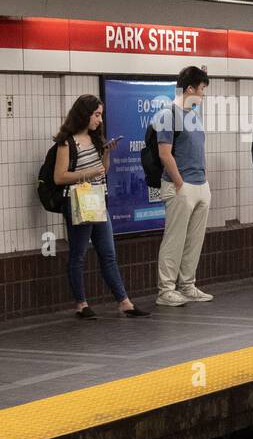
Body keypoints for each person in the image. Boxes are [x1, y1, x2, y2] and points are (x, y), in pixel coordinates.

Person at [52, 95, 150, 319]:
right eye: (96, 115)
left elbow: (103, 170)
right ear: (83, 114)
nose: (99, 120)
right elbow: (59, 177)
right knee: (78, 254)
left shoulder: (96, 139)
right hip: (78, 201)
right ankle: (81, 304)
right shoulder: (67, 142)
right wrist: (87, 173)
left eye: (101, 115)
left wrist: (107, 152)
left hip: (96, 200)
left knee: (108, 253)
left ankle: (124, 302)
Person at [156, 65, 213, 307]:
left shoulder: (194, 115)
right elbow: (164, 153)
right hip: (180, 186)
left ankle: (187, 285)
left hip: (200, 184)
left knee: (194, 240)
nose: (202, 95)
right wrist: (180, 183)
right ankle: (165, 290)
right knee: (175, 239)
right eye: (201, 90)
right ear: (190, 88)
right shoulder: (168, 114)